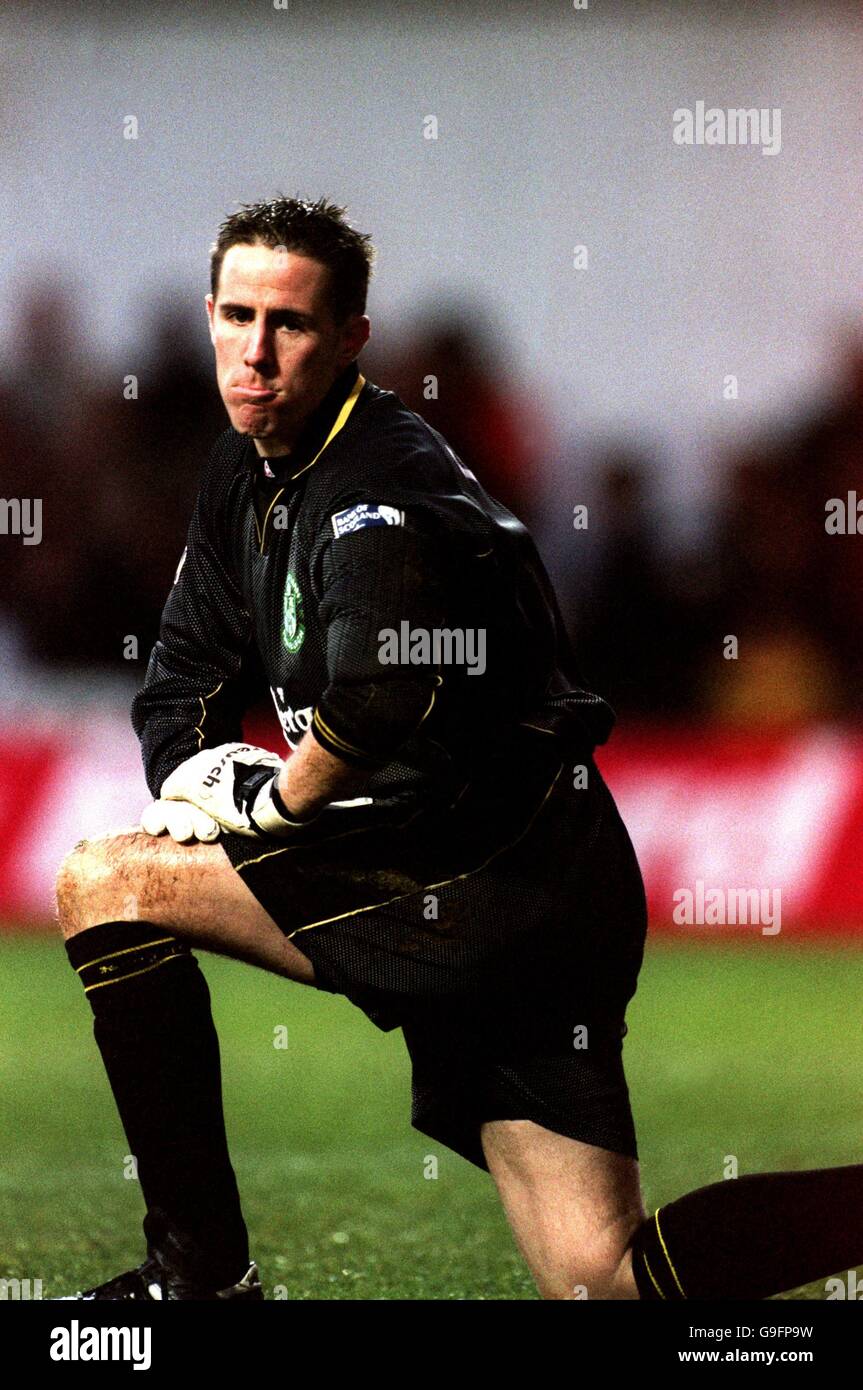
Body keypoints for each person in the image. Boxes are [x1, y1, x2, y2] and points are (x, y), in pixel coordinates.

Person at [55, 197, 862, 1301]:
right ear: (206, 317)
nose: (255, 349)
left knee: (107, 881)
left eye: (288, 324)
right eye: (235, 315)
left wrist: (279, 805)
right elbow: (185, 670)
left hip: (487, 874)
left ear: (350, 340)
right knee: (599, 1276)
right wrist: (191, 773)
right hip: (528, 873)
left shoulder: (378, 488)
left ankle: (200, 1275)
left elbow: (379, 693)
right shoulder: (242, 472)